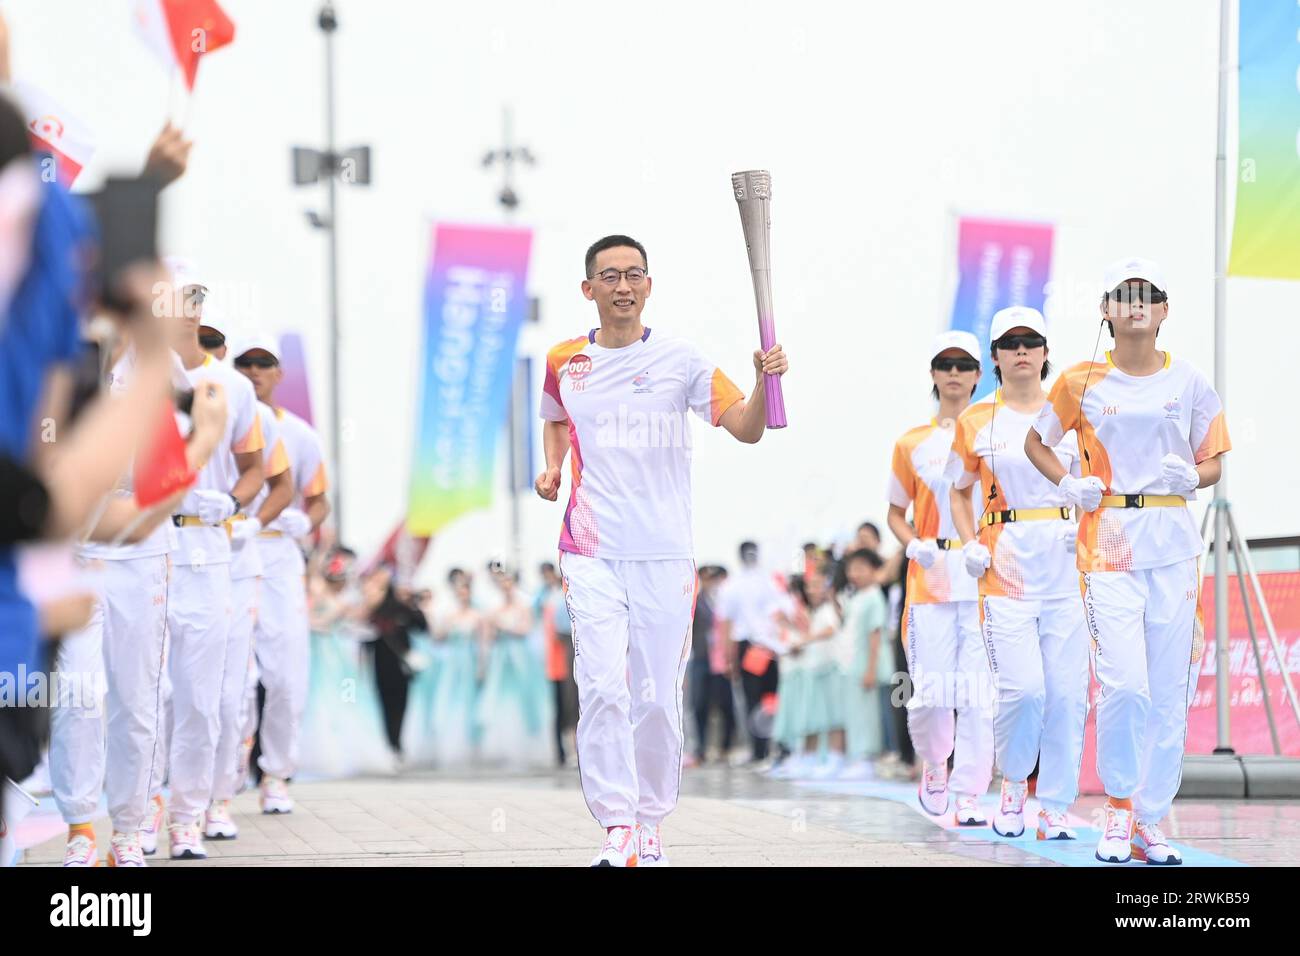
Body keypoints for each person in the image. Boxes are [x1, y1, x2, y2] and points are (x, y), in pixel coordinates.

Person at [534, 234, 788, 867]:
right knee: (600, 688)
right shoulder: (564, 359)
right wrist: (551, 469)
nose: (624, 286)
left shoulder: (682, 360)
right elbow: (557, 419)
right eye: (610, 275)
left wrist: (760, 384)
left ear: (649, 285)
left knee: (652, 694)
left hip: (666, 555)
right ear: (588, 289)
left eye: (635, 275)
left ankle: (651, 822)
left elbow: (749, 430)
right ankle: (616, 824)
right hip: (590, 549)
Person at [1026, 258, 1230, 865]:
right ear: (1107, 311)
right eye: (1124, 295)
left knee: (1170, 690)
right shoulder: (1079, 380)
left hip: (1172, 540)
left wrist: (1192, 475)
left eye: (1149, 296)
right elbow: (1037, 442)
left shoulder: (1190, 382)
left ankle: (1150, 817)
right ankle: (1116, 807)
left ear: (1165, 311)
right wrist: (1067, 484)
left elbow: (1215, 458)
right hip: (1107, 536)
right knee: (1126, 686)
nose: (1137, 303)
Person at [947, 306, 1089, 840]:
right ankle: (1012, 788)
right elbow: (959, 491)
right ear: (997, 357)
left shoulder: (1072, 413)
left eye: (1032, 341)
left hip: (1067, 560)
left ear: (1046, 352)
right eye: (1011, 344)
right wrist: (968, 543)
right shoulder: (976, 420)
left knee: (1067, 693)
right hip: (1003, 566)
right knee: (1023, 690)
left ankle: (1053, 805)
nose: (1022, 351)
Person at [163, 261, 266, 859]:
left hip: (206, 544)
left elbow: (254, 469)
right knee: (144, 695)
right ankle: (140, 815)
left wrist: (229, 501)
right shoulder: (127, 372)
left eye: (199, 297)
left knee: (203, 697)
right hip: (141, 540)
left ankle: (191, 813)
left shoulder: (234, 387)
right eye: (181, 296)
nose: (192, 306)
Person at [887, 330, 994, 826]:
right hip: (930, 574)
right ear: (933, 374)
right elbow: (894, 512)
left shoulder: (996, 434)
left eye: (963, 364)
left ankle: (970, 791)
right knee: (929, 692)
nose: (953, 372)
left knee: (976, 691)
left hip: (982, 574)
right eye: (944, 364)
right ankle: (934, 761)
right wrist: (912, 541)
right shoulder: (912, 443)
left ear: (978, 374)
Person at [231, 333, 330, 814]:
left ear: (278, 373)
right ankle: (226, 778)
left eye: (262, 363)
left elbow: (318, 499)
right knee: (232, 674)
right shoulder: (214, 421)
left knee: (287, 672)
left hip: (277, 557)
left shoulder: (300, 434)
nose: (253, 371)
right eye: (243, 363)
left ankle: (276, 774)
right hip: (226, 551)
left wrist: (303, 521)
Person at [201, 326, 294, 840]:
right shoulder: (160, 402)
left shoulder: (254, 415)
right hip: (175, 555)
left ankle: (224, 797)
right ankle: (159, 802)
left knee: (235, 690)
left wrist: (248, 517)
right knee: (177, 692)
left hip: (238, 560)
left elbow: (277, 482)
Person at [716, 541, 788, 766]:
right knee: (770, 698)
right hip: (768, 647)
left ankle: (761, 750)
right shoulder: (769, 582)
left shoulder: (732, 585)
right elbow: (782, 615)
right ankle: (771, 746)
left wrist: (728, 658)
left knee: (754, 699)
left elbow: (726, 623)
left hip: (751, 648)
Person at [477, 568, 549, 766]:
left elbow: (526, 629)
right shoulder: (494, 609)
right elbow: (488, 637)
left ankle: (529, 741)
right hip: (501, 656)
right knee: (500, 695)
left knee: (524, 695)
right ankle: (502, 743)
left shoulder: (524, 606)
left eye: (509, 582)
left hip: (520, 655)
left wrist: (505, 627)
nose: (506, 587)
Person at [838, 548, 889, 778]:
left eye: (861, 568)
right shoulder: (855, 597)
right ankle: (856, 755)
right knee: (854, 712)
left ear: (874, 570)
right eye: (851, 568)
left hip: (866, 664)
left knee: (867, 714)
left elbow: (875, 634)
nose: (854, 573)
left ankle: (867, 758)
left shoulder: (874, 596)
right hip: (852, 662)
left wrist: (870, 669)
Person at [689, 566, 735, 764]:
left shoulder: (725, 602)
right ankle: (701, 748)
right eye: (707, 579)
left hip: (722, 661)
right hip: (701, 658)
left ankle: (725, 748)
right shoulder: (695, 602)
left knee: (726, 705)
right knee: (700, 705)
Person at [534, 561, 578, 766]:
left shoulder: (560, 598)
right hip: (561, 658)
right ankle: (565, 750)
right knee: (565, 704)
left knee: (572, 703)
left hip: (569, 656)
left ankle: (570, 749)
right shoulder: (552, 600)